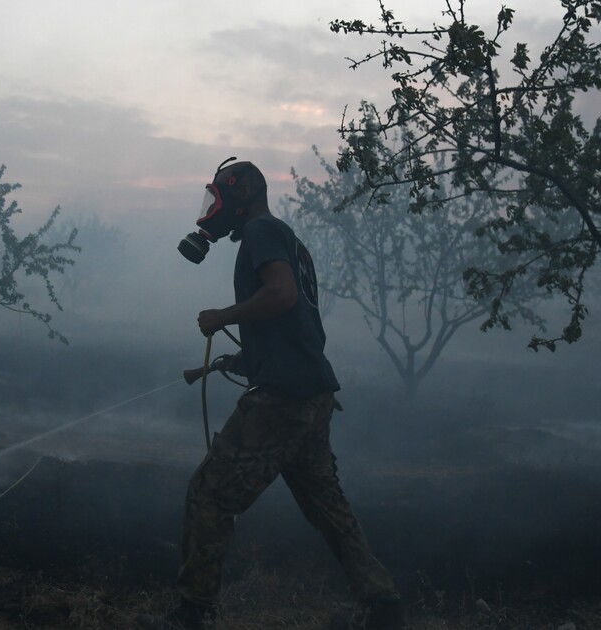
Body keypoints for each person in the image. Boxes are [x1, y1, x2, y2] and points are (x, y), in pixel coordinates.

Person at [139, 160, 403, 630]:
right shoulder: (290, 242)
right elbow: (299, 326)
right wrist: (235, 362)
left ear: (242, 195)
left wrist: (223, 316)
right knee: (327, 506)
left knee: (210, 494)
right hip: (312, 393)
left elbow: (280, 296)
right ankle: (382, 603)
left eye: (219, 198)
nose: (213, 211)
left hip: (282, 400)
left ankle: (192, 614)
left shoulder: (261, 231)